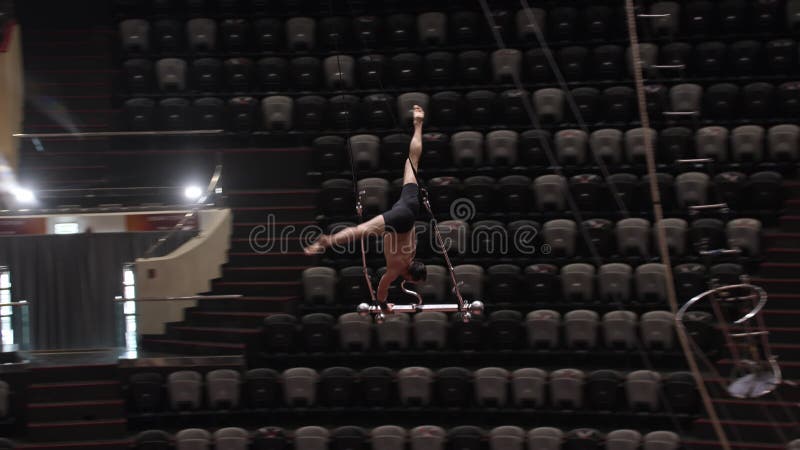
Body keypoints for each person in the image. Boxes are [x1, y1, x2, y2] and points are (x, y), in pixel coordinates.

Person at [304, 105, 427, 311]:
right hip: (400, 217)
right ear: (408, 274)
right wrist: (383, 304)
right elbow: (382, 286)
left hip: (410, 208)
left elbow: (409, 230)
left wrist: (395, 227)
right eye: (411, 282)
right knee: (360, 232)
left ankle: (418, 125)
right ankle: (326, 242)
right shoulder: (397, 268)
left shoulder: (412, 254)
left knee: (412, 161)